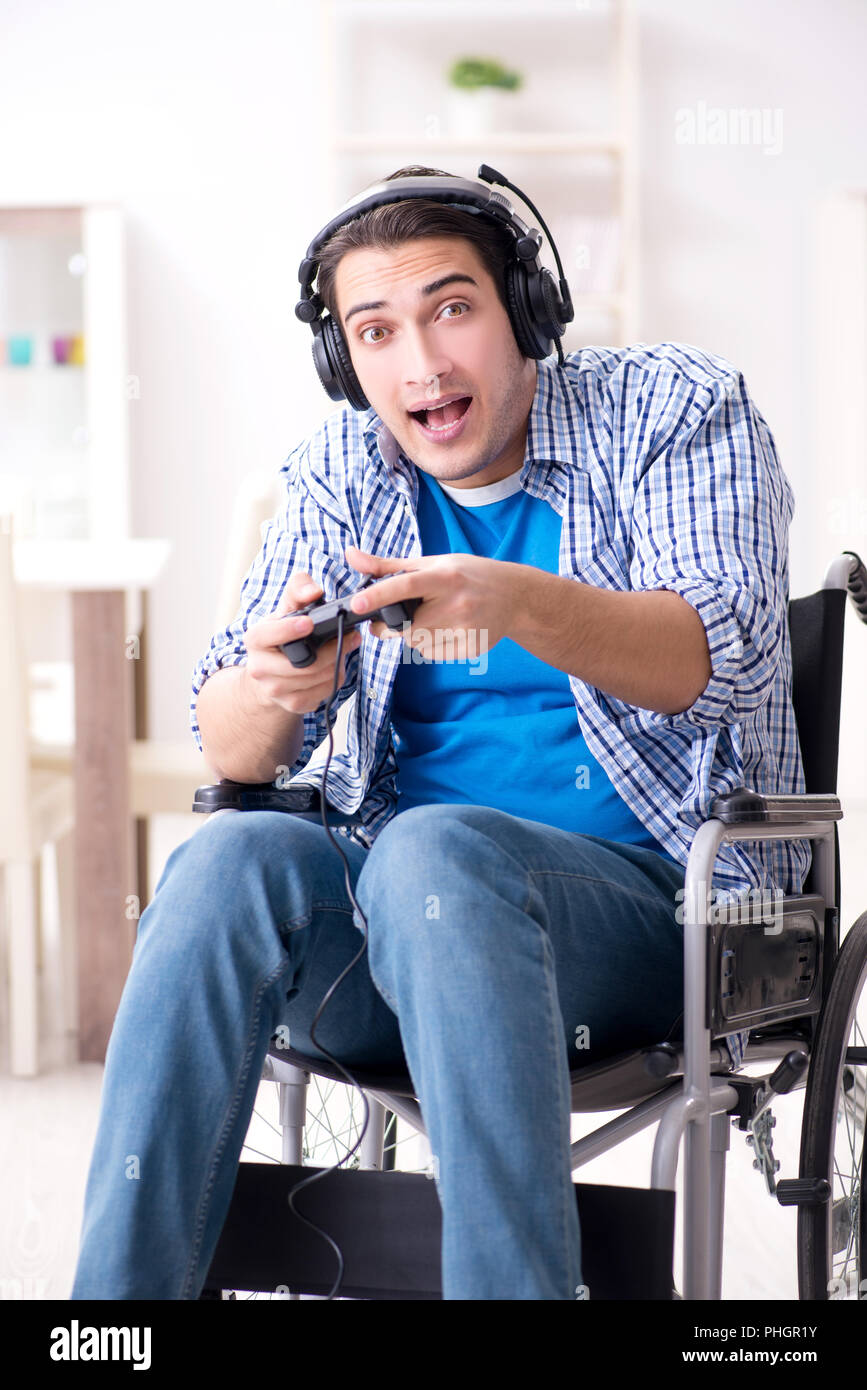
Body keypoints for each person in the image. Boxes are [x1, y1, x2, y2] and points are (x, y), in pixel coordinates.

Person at [70, 165, 808, 1301]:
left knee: (435, 847)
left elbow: (720, 653)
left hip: (663, 917)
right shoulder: (338, 468)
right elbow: (227, 739)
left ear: (525, 308)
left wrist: (513, 600)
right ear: (345, 359)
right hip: (405, 932)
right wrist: (276, 687)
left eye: (452, 308)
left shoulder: (674, 407)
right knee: (224, 855)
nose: (420, 363)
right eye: (376, 331)